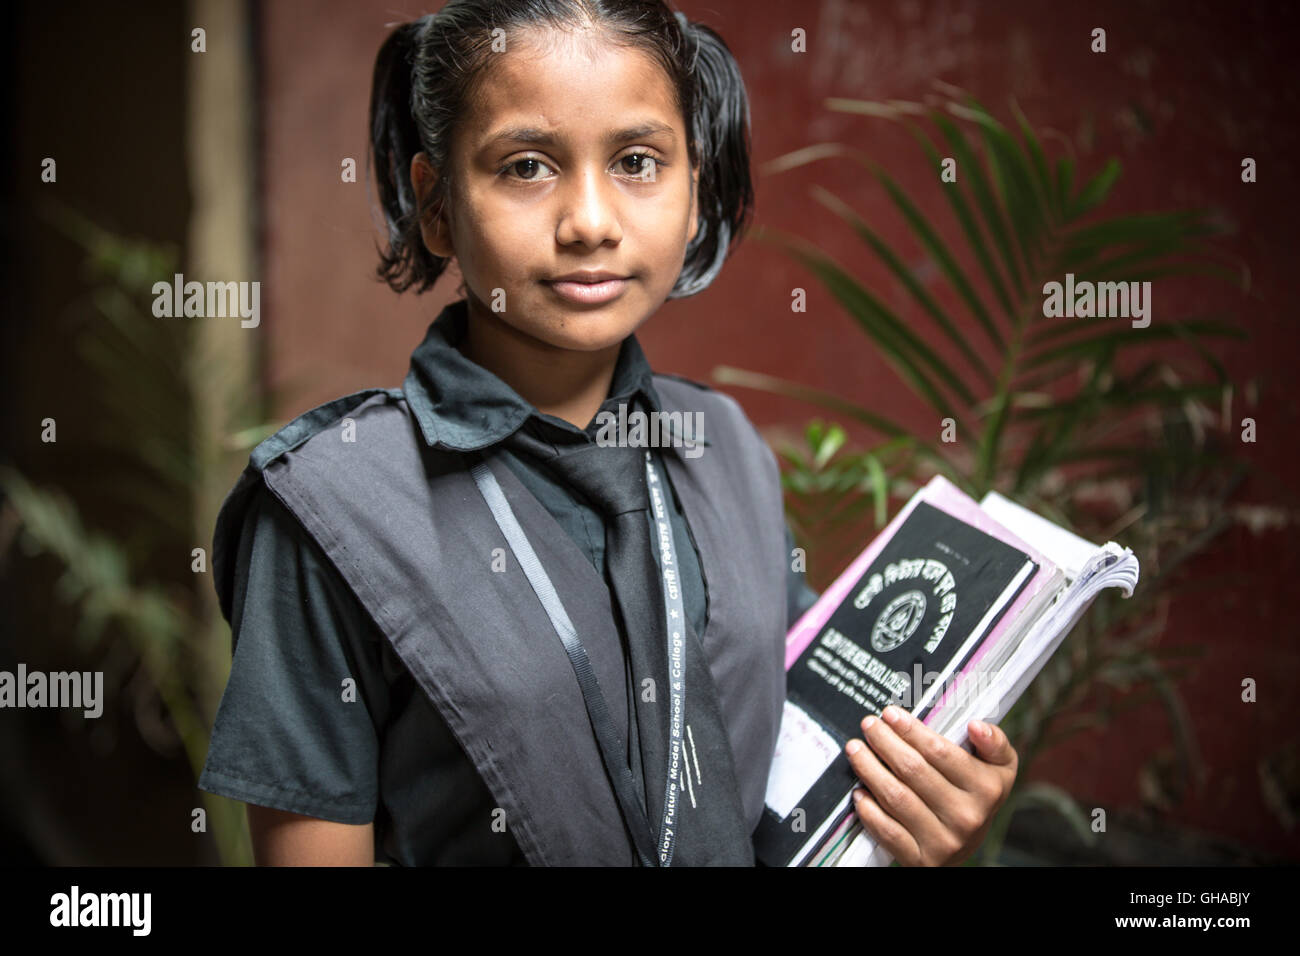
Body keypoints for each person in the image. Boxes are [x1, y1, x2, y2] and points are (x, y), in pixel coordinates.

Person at [198, 0, 1018, 867]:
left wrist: (918, 818)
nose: (590, 220)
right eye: (525, 167)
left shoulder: (726, 446)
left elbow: (801, 783)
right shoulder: (336, 507)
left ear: (695, 192)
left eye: (636, 161)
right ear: (436, 206)